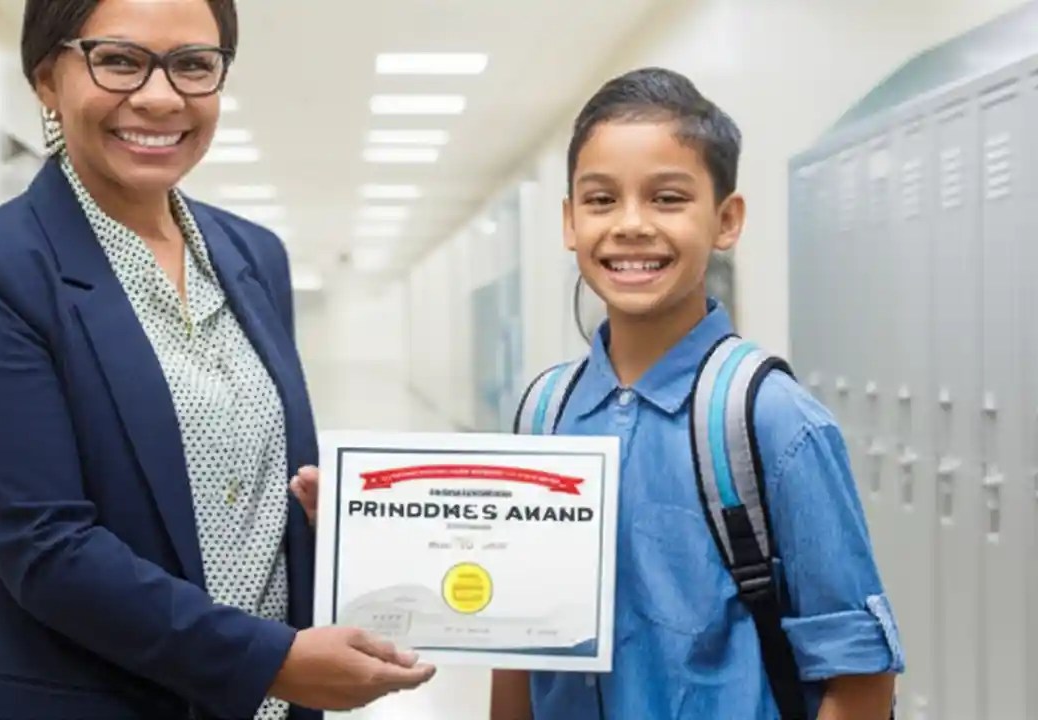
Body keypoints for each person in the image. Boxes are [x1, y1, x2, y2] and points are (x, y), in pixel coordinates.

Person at [296, 67, 905, 719]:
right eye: (601, 199)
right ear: (568, 222)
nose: (631, 225)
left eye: (668, 198)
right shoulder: (546, 411)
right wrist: (374, 538)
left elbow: (859, 673)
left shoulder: (769, 420)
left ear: (727, 220)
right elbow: (516, 629)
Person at [0, 1, 433, 718]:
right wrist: (269, 662)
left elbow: (263, 489)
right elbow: (43, 546)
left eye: (194, 65)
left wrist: (349, 519)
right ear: (46, 80)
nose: (161, 97)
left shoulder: (254, 255)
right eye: (119, 60)